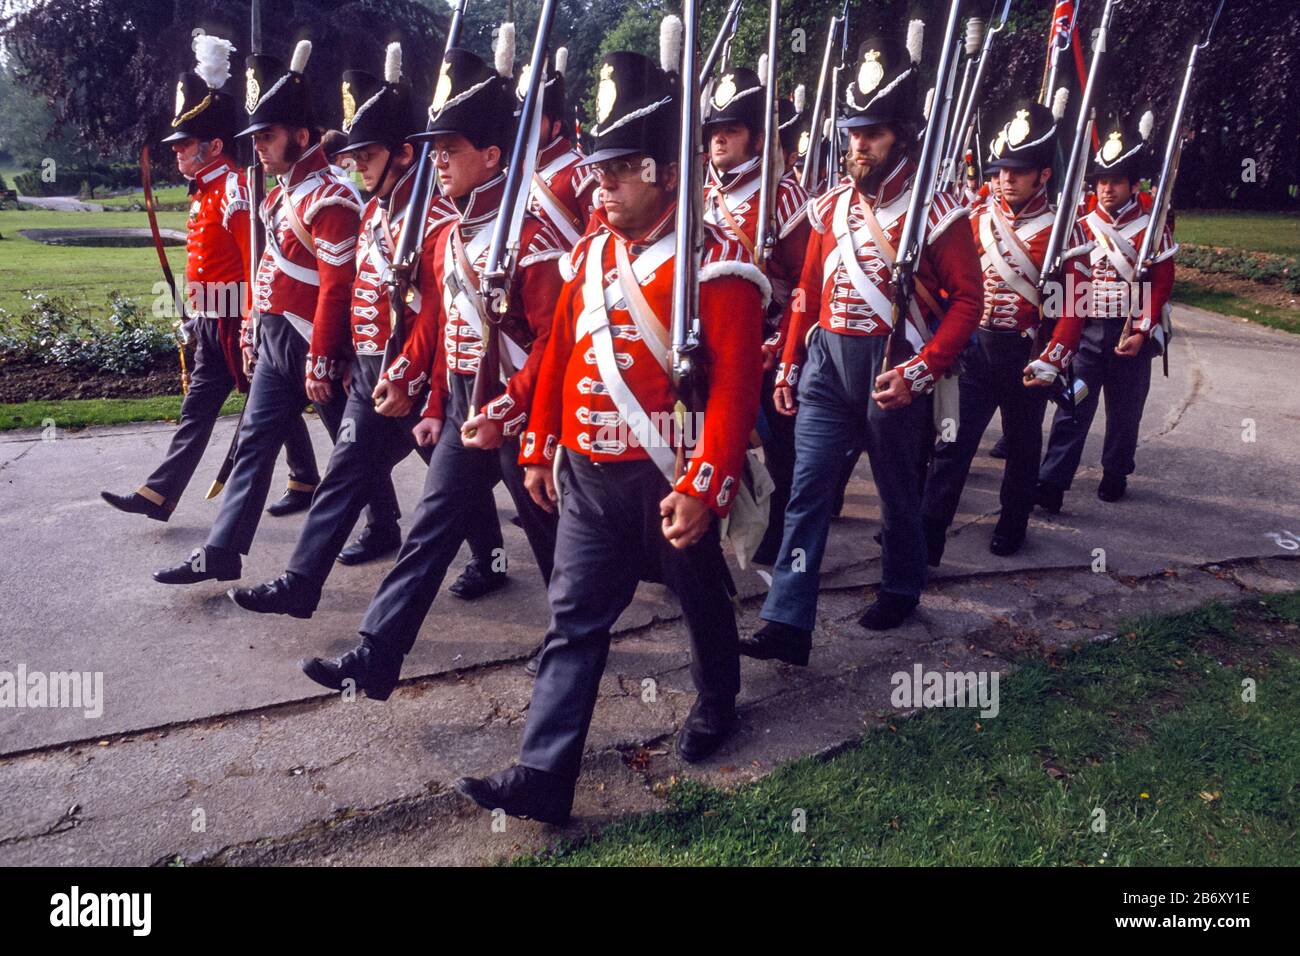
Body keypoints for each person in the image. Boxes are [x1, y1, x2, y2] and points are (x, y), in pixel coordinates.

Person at [455, 28, 769, 825]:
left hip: (670, 471)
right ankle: (544, 775)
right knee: (572, 620)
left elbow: (734, 392)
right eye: (596, 172)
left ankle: (718, 699)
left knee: (700, 598)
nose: (599, 190)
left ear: (662, 173)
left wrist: (704, 484)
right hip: (589, 473)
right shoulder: (590, 254)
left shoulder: (713, 265)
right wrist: (535, 442)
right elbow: (558, 359)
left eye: (617, 173)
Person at [297, 43, 563, 697]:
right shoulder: (447, 236)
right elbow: (440, 330)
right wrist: (424, 390)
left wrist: (517, 403)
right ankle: (376, 654)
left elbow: (559, 342)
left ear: (493, 156)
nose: (437, 159)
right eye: (435, 147)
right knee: (429, 529)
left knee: (556, 534)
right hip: (469, 401)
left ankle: (574, 637)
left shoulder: (529, 237)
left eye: (451, 148)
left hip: (526, 401)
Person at [742, 23, 983, 668]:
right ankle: (788, 620)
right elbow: (809, 296)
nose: (858, 145)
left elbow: (968, 301)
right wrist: (791, 360)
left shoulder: (938, 211)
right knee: (808, 491)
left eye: (871, 133)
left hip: (892, 365)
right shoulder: (830, 208)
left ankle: (902, 583)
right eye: (853, 133)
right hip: (827, 363)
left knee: (898, 491)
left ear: (900, 136)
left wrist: (924, 371)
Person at [228, 43, 461, 617]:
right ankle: (300, 584)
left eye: (368, 156)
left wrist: (410, 377)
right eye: (354, 157)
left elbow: (436, 314)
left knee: (457, 485)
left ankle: (493, 554)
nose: (355, 167)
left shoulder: (435, 221)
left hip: (422, 377)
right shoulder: (381, 211)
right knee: (345, 472)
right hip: (372, 371)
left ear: (404, 156)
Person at [152, 40, 396, 584]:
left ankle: (387, 524)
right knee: (254, 446)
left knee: (354, 443)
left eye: (267, 137)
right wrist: (249, 327)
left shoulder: (330, 198)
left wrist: (322, 357)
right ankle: (220, 552)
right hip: (275, 339)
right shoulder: (277, 196)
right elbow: (266, 273)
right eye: (256, 137)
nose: (258, 148)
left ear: (301, 136)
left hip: (316, 342)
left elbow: (336, 286)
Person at [101, 33, 321, 524]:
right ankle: (163, 493)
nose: (177, 155)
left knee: (268, 401)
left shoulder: (238, 192)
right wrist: (195, 310)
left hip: (236, 318)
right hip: (211, 317)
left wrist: (250, 325)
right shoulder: (204, 192)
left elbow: (255, 264)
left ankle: (313, 482)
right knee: (211, 407)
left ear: (214, 146)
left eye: (186, 146)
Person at [921, 97, 1087, 559]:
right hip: (974, 351)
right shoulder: (976, 218)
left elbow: (1073, 307)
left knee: (1022, 446)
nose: (1005, 178)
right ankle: (928, 537)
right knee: (952, 444)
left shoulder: (1062, 230)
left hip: (1026, 354)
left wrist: (1052, 359)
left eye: (1018, 170)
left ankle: (1012, 524)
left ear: (1044, 174)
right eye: (1001, 170)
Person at [1036, 109, 1176, 511]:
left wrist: (1143, 329)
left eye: (1116, 181)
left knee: (1125, 410)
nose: (1108, 189)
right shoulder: (1080, 223)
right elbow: (1063, 281)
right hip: (1085, 330)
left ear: (1134, 184)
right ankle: (1052, 480)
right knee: (1073, 403)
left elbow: (1161, 283)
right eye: (1102, 181)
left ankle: (1116, 471)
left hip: (1129, 331)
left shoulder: (1152, 228)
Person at [700, 61, 810, 567]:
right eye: (716, 131)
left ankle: (779, 535)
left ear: (757, 137)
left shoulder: (784, 196)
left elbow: (808, 285)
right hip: (715, 338)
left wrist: (780, 344)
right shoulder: (703, 194)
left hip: (769, 341)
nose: (721, 140)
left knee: (781, 446)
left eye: (733, 130)